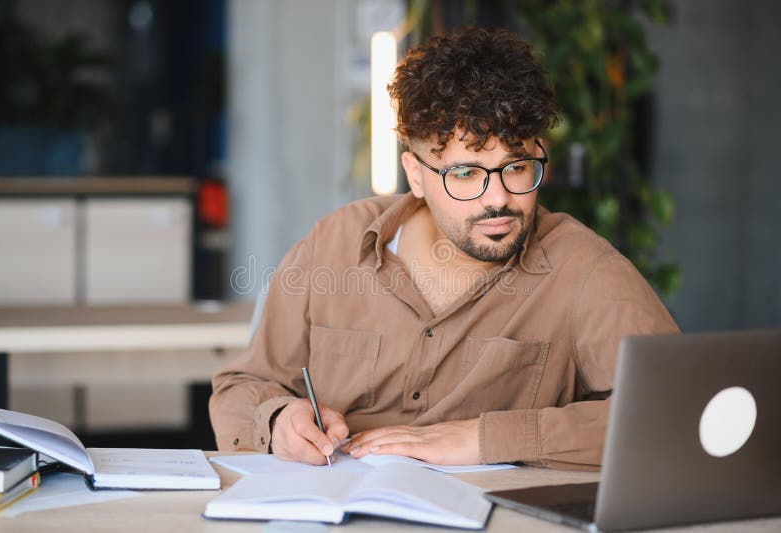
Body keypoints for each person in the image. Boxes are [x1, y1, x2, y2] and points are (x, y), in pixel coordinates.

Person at [210, 26, 678, 471]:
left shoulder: (583, 269)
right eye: (466, 174)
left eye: (517, 167)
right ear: (415, 175)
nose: (499, 199)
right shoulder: (335, 243)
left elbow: (678, 411)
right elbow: (242, 387)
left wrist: (481, 439)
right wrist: (278, 420)